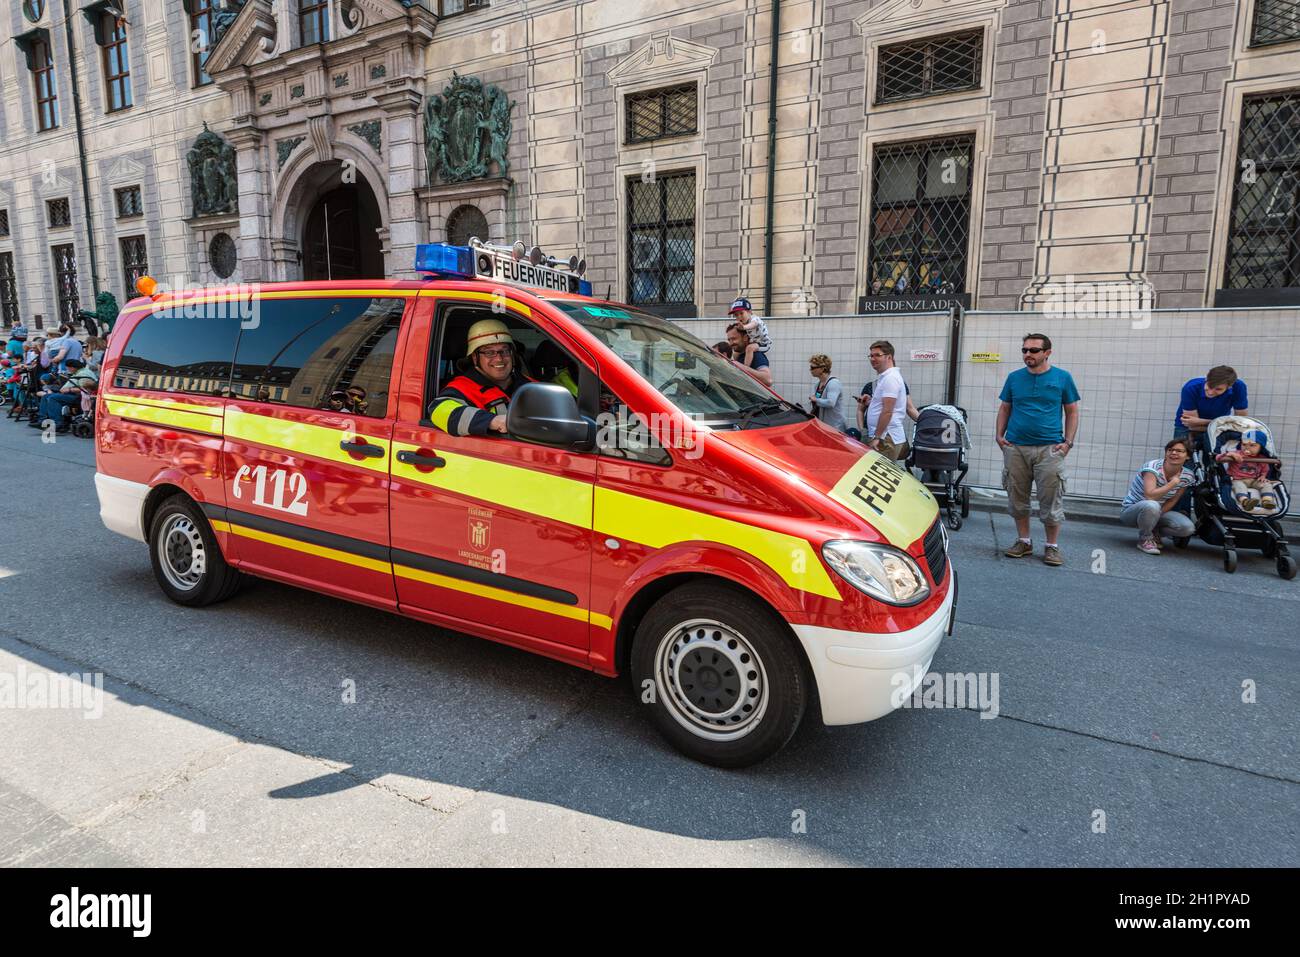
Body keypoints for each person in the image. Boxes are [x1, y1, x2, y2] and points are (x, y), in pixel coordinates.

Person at [995, 332, 1082, 567]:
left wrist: (1068, 443)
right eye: (1024, 350)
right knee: (1017, 496)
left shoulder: (1062, 378)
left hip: (1049, 448)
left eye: (1033, 350)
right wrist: (999, 436)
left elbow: (1072, 411)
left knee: (1051, 498)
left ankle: (1051, 547)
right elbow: (1005, 408)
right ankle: (1024, 541)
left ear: (1047, 352)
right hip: (1016, 448)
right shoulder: (1014, 378)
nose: (1027, 355)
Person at [428, 319, 529, 436]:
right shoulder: (462, 388)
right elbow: (437, 410)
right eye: (489, 353)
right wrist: (492, 421)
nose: (499, 358)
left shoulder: (529, 385)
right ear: (475, 358)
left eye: (504, 351)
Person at [1120, 438, 1196, 555]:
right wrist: (1172, 483)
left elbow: (1172, 500)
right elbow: (1150, 495)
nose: (1174, 453)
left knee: (1187, 528)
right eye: (1170, 450)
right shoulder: (1153, 467)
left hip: (1157, 511)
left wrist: (1156, 517)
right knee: (1152, 505)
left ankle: (1154, 531)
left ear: (1188, 456)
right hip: (1132, 511)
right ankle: (1145, 539)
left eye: (1179, 451)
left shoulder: (1188, 475)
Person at [861, 340, 913, 461]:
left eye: (877, 355)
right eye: (871, 355)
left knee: (877, 477)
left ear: (889, 357)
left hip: (886, 438)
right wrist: (871, 402)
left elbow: (888, 411)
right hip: (885, 437)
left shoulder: (890, 378)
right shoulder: (886, 377)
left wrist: (877, 437)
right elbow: (885, 406)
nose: (873, 359)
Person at [1174, 366, 1247, 451]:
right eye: (1209, 386)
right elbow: (1192, 426)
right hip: (1186, 428)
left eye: (1218, 389)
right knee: (1184, 460)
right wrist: (1225, 424)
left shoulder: (1239, 387)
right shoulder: (1191, 387)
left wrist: (1201, 422)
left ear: (1229, 387)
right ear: (1206, 379)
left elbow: (1240, 422)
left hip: (1218, 429)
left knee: (1213, 460)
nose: (1210, 392)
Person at [1217, 429, 1280, 512]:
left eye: (1252, 445)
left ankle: (1267, 501)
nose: (1247, 447)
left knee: (1266, 484)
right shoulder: (1237, 454)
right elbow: (1218, 458)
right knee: (1239, 486)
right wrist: (1230, 454)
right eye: (1244, 444)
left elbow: (1265, 469)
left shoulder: (1261, 458)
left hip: (1254, 480)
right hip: (1238, 479)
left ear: (1260, 447)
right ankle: (1245, 501)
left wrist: (1263, 476)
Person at [724, 322, 773, 387]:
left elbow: (768, 380)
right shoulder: (741, 355)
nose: (731, 343)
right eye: (729, 340)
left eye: (734, 339)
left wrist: (740, 366)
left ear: (745, 338)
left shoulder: (756, 355)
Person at [727, 298, 771, 369]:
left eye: (741, 313)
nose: (739, 316)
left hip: (764, 344)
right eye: (736, 315)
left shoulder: (754, 319)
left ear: (750, 312)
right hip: (754, 341)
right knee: (736, 353)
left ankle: (745, 368)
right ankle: (737, 367)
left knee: (749, 348)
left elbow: (753, 324)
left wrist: (744, 327)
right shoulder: (744, 323)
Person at [806, 354, 846, 431]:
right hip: (824, 425)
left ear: (822, 369)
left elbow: (831, 403)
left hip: (835, 426)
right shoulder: (817, 384)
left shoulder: (833, 383)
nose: (810, 370)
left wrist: (816, 400)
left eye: (812, 368)